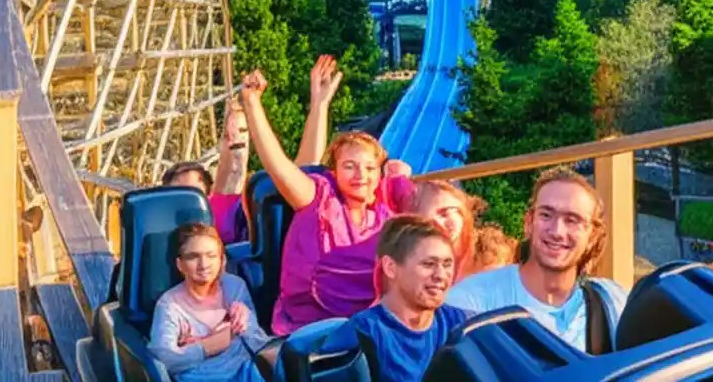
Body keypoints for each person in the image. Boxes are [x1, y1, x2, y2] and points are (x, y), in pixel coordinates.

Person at [239, 68, 413, 334]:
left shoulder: (386, 215)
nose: (360, 176)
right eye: (350, 167)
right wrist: (252, 105)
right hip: (312, 328)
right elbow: (278, 165)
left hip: (368, 326)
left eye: (369, 168)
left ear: (379, 173)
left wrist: (401, 179)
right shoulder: (318, 198)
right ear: (334, 172)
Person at [444, 166, 629, 351]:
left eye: (572, 220)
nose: (557, 231)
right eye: (546, 215)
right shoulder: (472, 302)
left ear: (593, 236)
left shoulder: (610, 304)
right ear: (528, 223)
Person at [323, 215, 470, 382]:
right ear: (390, 268)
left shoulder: (462, 325)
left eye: (447, 264)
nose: (441, 275)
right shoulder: (361, 335)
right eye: (429, 264)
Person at [149, 223, 270, 381]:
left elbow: (257, 342)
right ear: (180, 264)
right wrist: (210, 345)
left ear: (222, 260)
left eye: (211, 256)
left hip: (245, 371)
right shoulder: (169, 305)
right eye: (193, 257)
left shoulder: (234, 286)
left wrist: (246, 320)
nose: (204, 265)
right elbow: (164, 358)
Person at [162, 103, 251, 244]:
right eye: (179, 192)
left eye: (193, 193)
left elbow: (235, 167)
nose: (188, 200)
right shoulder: (158, 230)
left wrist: (235, 123)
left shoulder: (219, 214)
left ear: (207, 195)